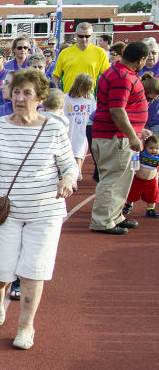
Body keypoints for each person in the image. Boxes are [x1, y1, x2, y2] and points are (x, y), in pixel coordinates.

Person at [0, 68, 77, 350]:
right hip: (6, 211)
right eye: (16, 91)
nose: (19, 97)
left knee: (33, 271)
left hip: (46, 211)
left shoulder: (53, 128)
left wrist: (68, 179)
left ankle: (26, 326)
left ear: (40, 97)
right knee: (3, 269)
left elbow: (69, 164)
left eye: (27, 93)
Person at [89, 41, 152, 234]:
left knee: (121, 179)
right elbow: (117, 110)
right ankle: (102, 220)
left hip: (114, 134)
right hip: (115, 136)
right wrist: (133, 136)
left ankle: (114, 215)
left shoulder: (118, 72)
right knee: (113, 179)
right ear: (141, 59)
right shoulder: (122, 77)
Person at [53, 23, 110, 93]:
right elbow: (56, 76)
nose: (84, 39)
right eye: (81, 36)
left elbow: (106, 77)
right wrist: (54, 93)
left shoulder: (100, 53)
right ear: (76, 35)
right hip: (68, 97)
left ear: (92, 36)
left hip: (89, 97)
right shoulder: (65, 53)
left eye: (87, 36)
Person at [65, 73, 97, 180]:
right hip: (71, 127)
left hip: (84, 128)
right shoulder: (66, 98)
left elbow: (93, 112)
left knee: (80, 150)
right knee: (70, 151)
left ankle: (78, 170)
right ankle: (71, 171)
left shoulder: (90, 98)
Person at [122, 135, 158, 218]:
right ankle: (128, 205)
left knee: (152, 196)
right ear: (145, 147)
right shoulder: (142, 153)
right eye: (151, 148)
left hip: (151, 181)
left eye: (156, 148)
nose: (154, 150)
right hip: (138, 180)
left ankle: (150, 209)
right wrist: (142, 138)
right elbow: (138, 145)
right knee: (132, 194)